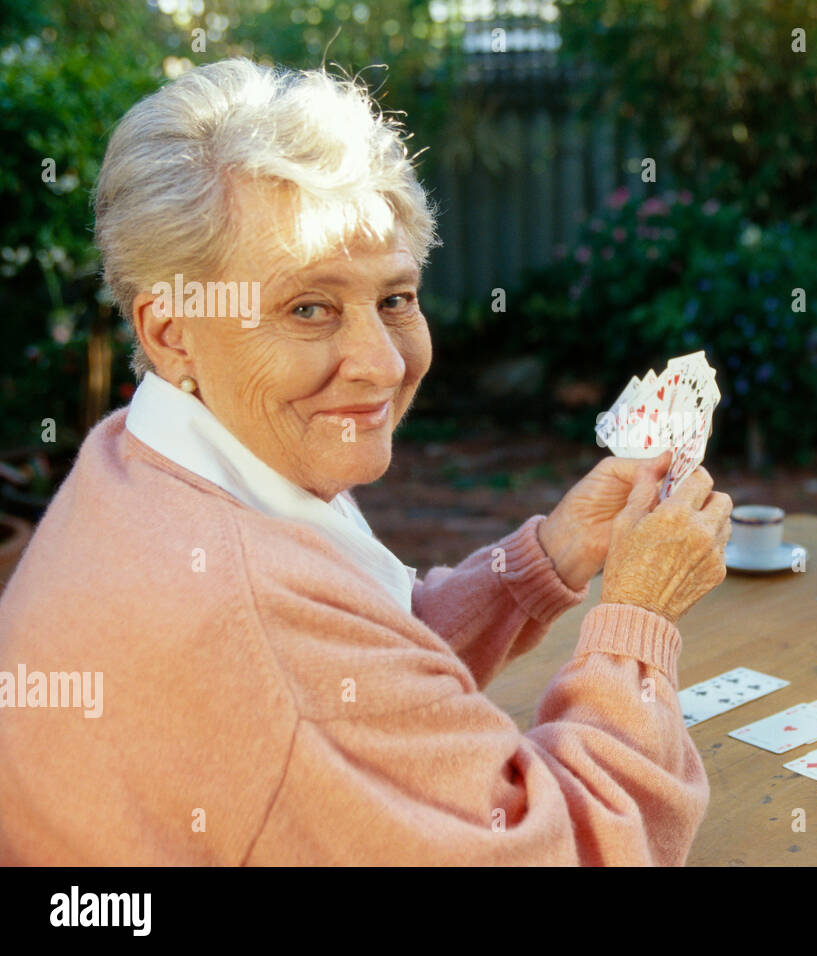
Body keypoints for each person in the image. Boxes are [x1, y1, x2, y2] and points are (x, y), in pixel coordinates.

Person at [0, 58, 732, 865]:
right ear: (171, 333)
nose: (382, 364)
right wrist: (638, 621)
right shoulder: (256, 626)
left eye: (395, 299)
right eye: (307, 308)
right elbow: (579, 853)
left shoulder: (149, 456)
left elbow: (364, 662)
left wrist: (545, 560)